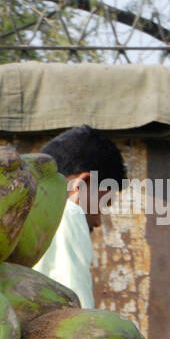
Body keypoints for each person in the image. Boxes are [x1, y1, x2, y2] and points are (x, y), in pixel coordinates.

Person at [30, 125, 126, 309]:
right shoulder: (68, 213)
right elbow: (77, 312)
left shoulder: (22, 212)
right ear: (81, 185)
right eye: (103, 203)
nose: (98, 222)